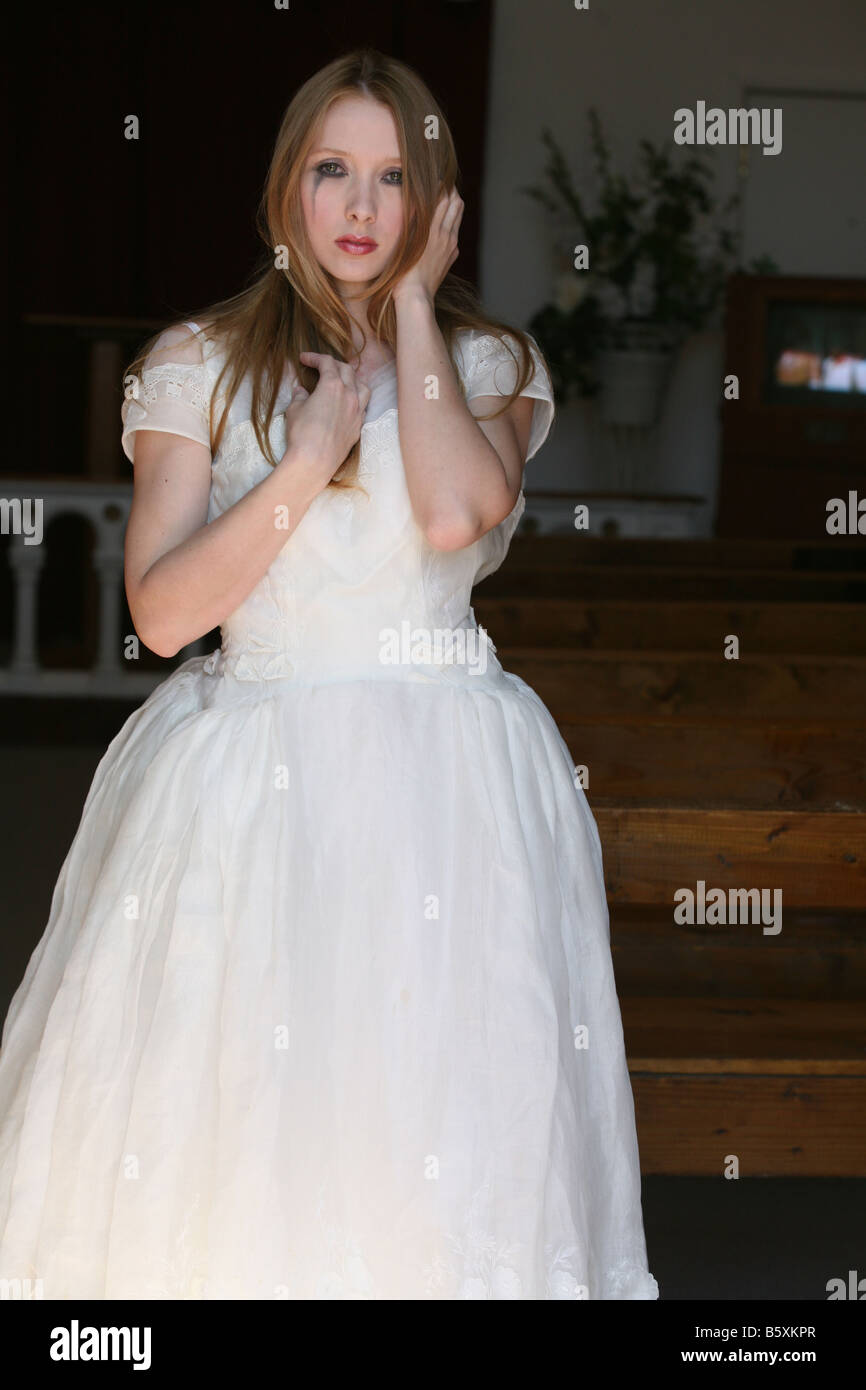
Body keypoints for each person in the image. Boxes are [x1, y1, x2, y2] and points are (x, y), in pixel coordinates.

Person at [0, 47, 658, 1300]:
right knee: (247, 1097)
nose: (360, 209)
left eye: (394, 179)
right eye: (332, 171)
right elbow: (162, 611)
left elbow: (459, 515)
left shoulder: (489, 366)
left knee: (434, 1097)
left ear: (437, 205)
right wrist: (304, 464)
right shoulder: (193, 360)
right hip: (253, 775)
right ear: (284, 188)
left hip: (452, 783)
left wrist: (412, 311)